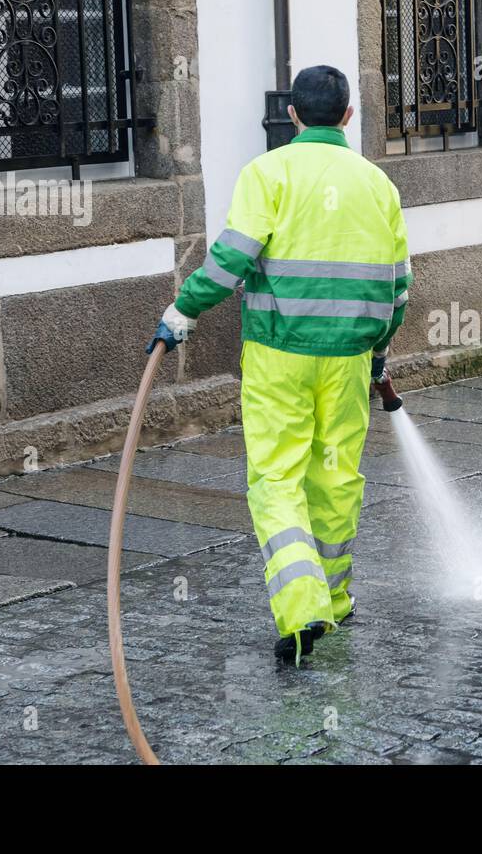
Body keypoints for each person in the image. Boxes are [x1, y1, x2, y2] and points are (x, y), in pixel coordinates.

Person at [148, 65, 411, 665]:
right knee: (336, 477)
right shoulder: (378, 186)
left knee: (276, 479)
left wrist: (183, 310)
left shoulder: (266, 174)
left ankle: (302, 609)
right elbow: (399, 289)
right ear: (349, 116)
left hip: (278, 355)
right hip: (347, 359)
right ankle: (337, 599)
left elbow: (230, 261)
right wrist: (379, 351)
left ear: (292, 115)